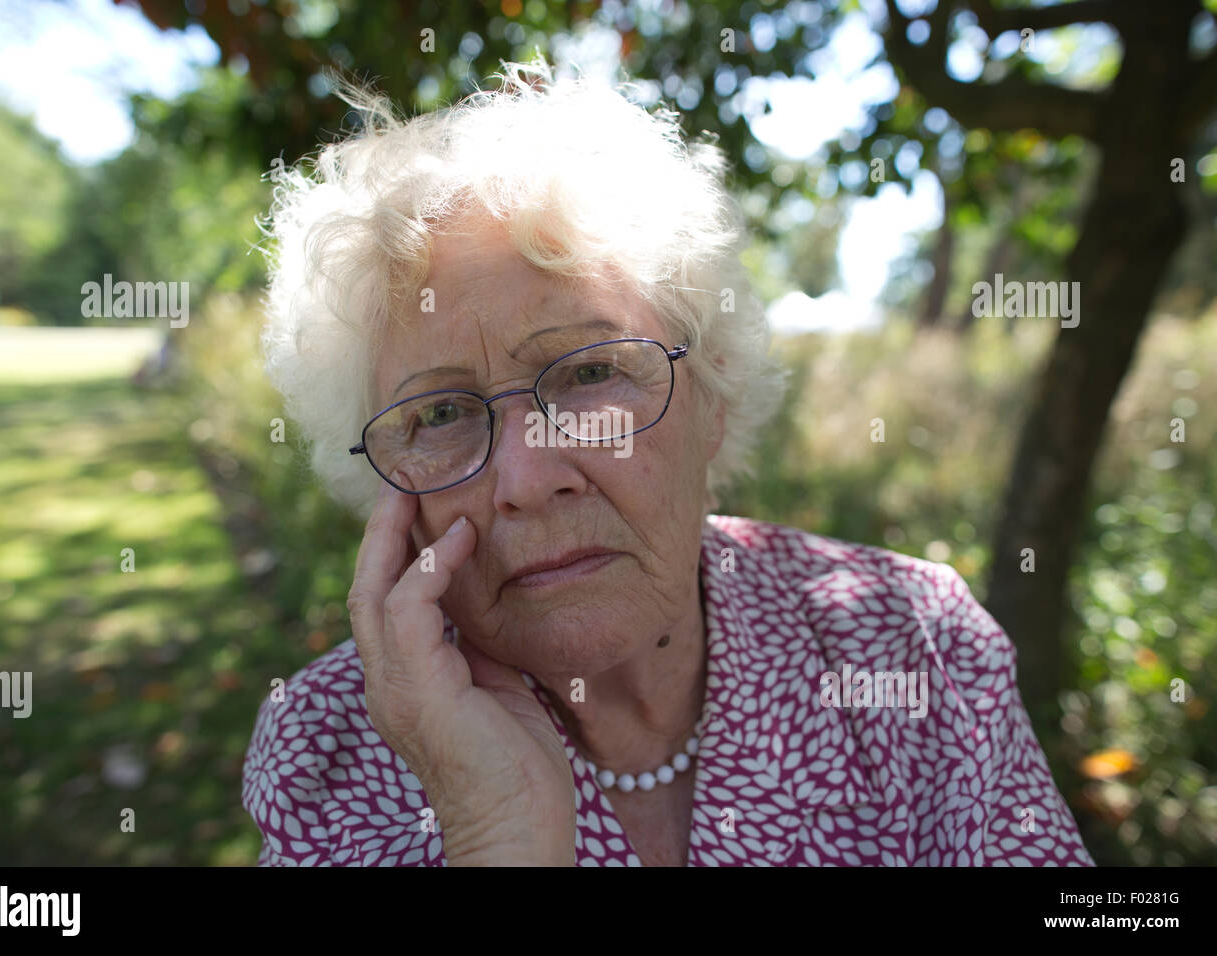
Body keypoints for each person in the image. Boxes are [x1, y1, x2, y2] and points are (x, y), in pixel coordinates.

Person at [242, 58, 1095, 866]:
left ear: (713, 390)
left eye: (588, 372)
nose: (529, 482)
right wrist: (496, 834)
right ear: (384, 486)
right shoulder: (325, 750)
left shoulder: (912, 649)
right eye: (438, 415)